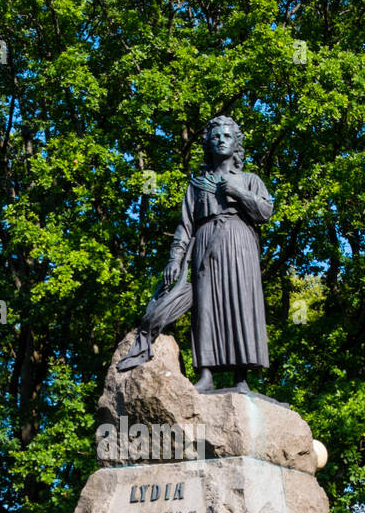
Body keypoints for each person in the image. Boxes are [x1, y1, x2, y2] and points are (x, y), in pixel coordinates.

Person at [117, 115, 273, 392]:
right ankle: (206, 374)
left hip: (239, 244)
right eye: (216, 136)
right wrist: (175, 259)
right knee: (205, 307)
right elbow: (185, 225)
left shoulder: (250, 180)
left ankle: (241, 378)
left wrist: (238, 193)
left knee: (241, 303)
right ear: (208, 144)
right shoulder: (197, 184)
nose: (221, 139)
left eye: (227, 135)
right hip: (204, 245)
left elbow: (265, 212)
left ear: (236, 143)